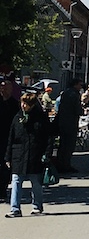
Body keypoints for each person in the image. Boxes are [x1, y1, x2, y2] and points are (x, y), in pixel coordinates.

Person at [5, 89, 53, 217]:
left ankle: (37, 206)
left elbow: (48, 137)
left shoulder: (41, 118)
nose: (23, 105)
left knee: (36, 182)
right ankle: (15, 208)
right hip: (18, 155)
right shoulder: (17, 117)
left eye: (25, 103)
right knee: (16, 181)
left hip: (35, 155)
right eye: (22, 103)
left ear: (32, 105)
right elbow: (11, 137)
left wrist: (47, 154)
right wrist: (8, 156)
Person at [55, 79, 84, 172]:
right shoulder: (75, 94)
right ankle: (66, 165)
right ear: (75, 85)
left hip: (62, 121)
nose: (81, 87)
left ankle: (60, 163)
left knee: (62, 144)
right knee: (69, 145)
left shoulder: (65, 93)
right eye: (80, 84)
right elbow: (77, 110)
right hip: (71, 122)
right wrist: (82, 111)